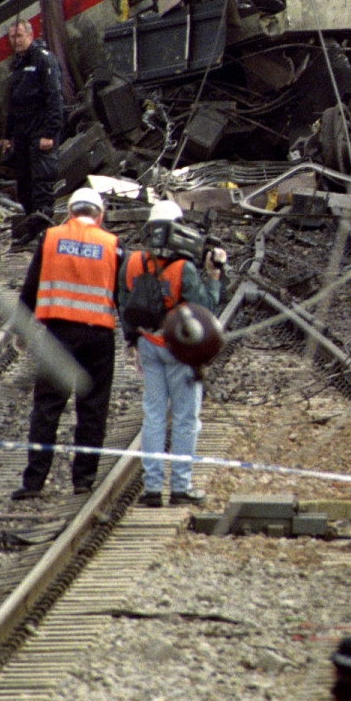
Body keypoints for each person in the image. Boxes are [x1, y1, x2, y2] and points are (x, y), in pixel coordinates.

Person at [14, 187, 118, 500]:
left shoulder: (50, 239)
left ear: (70, 212)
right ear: (99, 215)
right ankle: (83, 481)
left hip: (58, 335)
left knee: (47, 407)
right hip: (98, 337)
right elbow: (122, 294)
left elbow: (31, 285)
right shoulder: (112, 244)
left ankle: (34, 483)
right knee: (93, 409)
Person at [120, 200, 226, 508]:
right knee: (185, 418)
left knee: (153, 416)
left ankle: (152, 488)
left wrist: (133, 342)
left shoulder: (133, 261)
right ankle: (181, 486)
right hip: (180, 349)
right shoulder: (184, 269)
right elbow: (204, 310)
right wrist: (214, 277)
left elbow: (124, 302)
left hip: (148, 344)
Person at [0, 19, 64, 246]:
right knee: (24, 185)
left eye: (19, 36)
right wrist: (7, 136)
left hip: (40, 133)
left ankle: (44, 231)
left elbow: (54, 99)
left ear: (30, 34)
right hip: (22, 134)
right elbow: (13, 104)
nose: (15, 41)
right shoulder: (17, 64)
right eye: (12, 38)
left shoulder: (43, 59)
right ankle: (33, 229)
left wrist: (50, 132)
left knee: (42, 184)